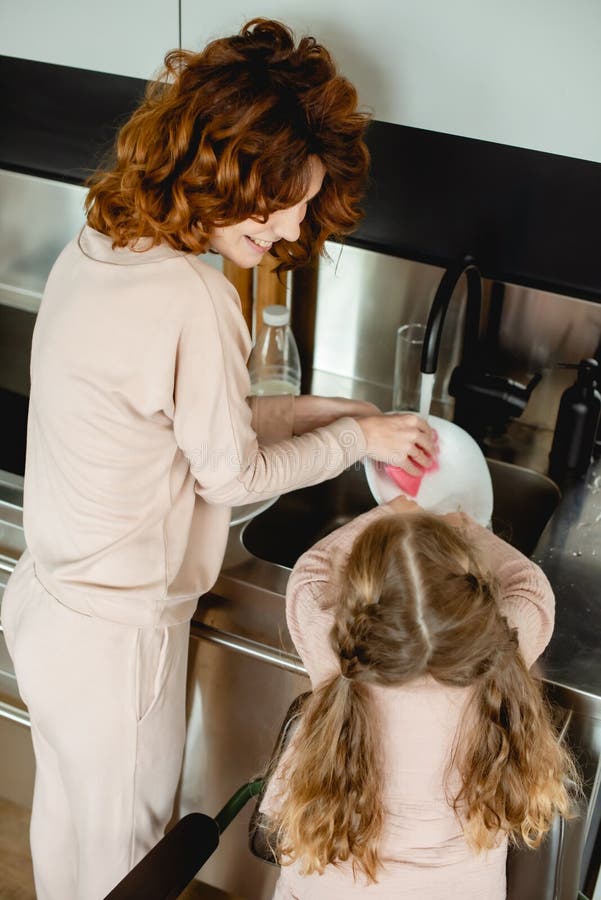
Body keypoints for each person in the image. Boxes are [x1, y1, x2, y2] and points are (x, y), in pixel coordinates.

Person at [0, 18, 436, 900]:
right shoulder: (193, 294)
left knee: (68, 831)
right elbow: (230, 475)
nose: (288, 227)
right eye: (279, 201)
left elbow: (194, 421)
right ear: (221, 173)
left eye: (302, 202)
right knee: (127, 863)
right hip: (118, 640)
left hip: (46, 607)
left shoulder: (105, 243)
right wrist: (355, 440)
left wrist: (328, 413)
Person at [261, 496, 578, 899]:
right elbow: (531, 587)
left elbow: (309, 575)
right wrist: (464, 526)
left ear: (359, 610)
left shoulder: (335, 656)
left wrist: (393, 510)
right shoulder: (501, 658)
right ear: (473, 598)